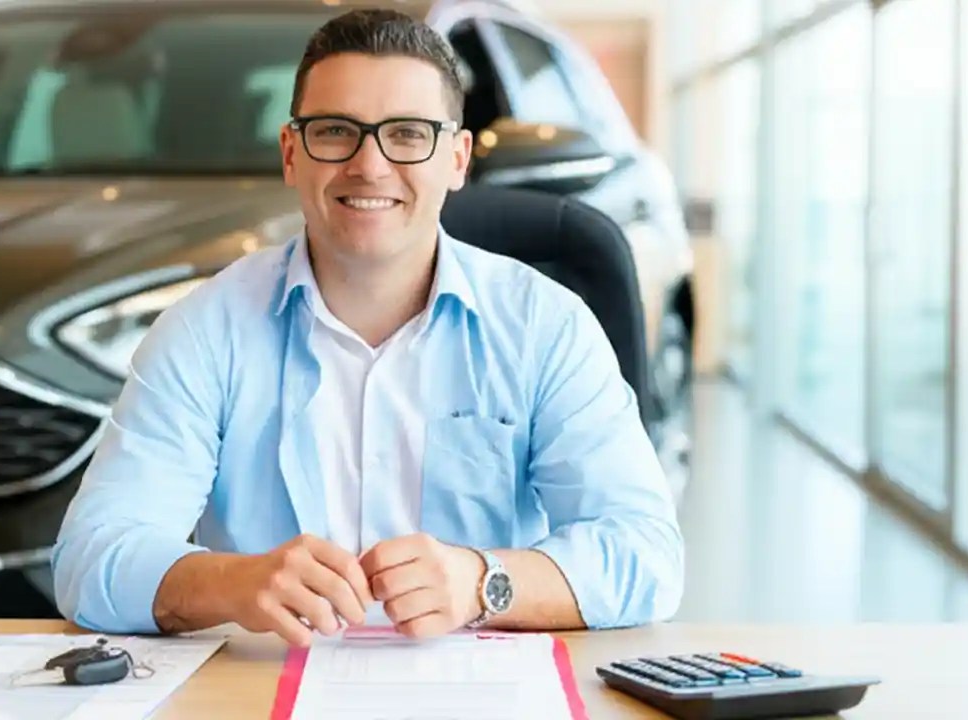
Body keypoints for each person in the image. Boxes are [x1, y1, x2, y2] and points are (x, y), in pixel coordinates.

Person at [51, 8, 683, 647]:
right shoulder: (205, 329)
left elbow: (645, 553)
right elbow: (89, 560)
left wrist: (482, 581)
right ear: (292, 154)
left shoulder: (544, 327)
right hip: (265, 686)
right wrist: (231, 583)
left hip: (481, 689)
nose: (370, 165)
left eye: (407, 134)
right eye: (335, 131)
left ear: (457, 159)